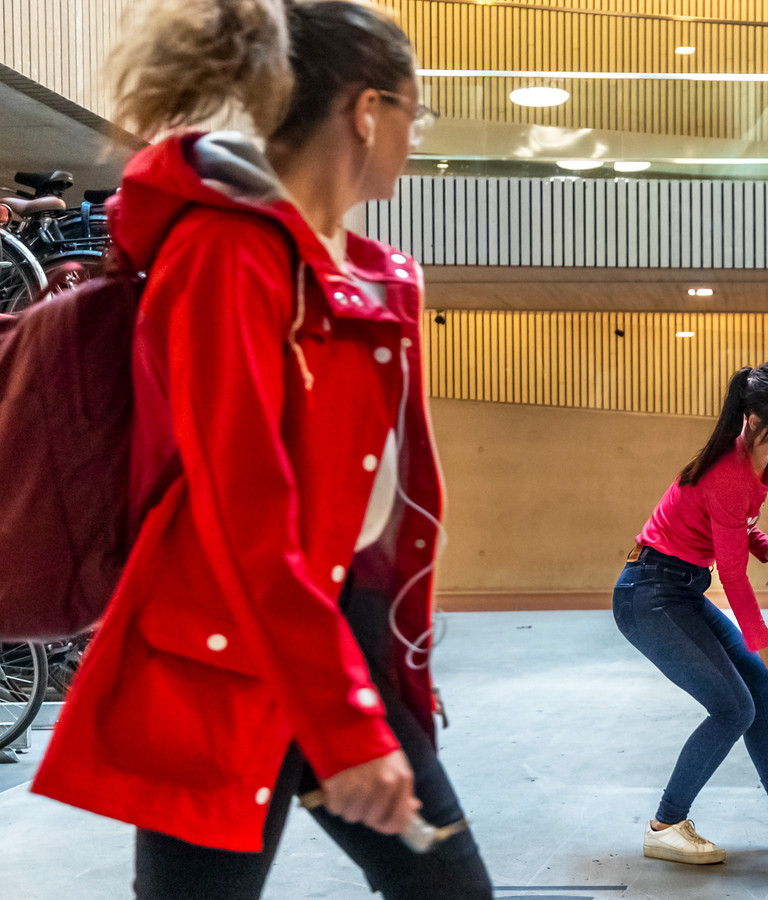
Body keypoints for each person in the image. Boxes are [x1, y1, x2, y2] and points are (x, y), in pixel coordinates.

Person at [29, 1, 492, 897]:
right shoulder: (225, 252)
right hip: (220, 652)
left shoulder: (363, 271)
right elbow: (243, 514)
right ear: (366, 111)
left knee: (451, 889)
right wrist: (348, 727)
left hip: (330, 632)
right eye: (414, 113)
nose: (415, 137)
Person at [613, 362, 768, 865]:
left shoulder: (758, 457)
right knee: (733, 707)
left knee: (756, 687)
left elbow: (733, 525)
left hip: (676, 589)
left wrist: (767, 549)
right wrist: (766, 646)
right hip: (650, 596)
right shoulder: (730, 470)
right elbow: (731, 576)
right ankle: (665, 826)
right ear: (754, 418)